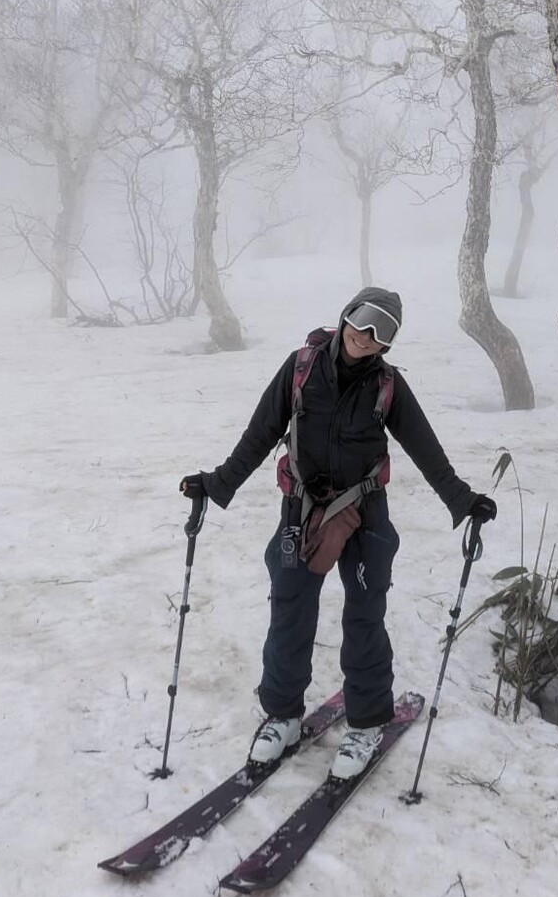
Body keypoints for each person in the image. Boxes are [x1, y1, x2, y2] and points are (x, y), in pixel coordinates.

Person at [180, 286, 497, 779]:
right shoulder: (301, 368)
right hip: (301, 511)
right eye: (364, 320)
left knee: (364, 616)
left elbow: (425, 449)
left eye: (383, 330)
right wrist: (217, 484)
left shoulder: (387, 386)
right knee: (290, 608)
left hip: (364, 514)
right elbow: (261, 433)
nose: (368, 336)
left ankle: (367, 722)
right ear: (346, 315)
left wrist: (463, 501)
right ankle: (282, 716)